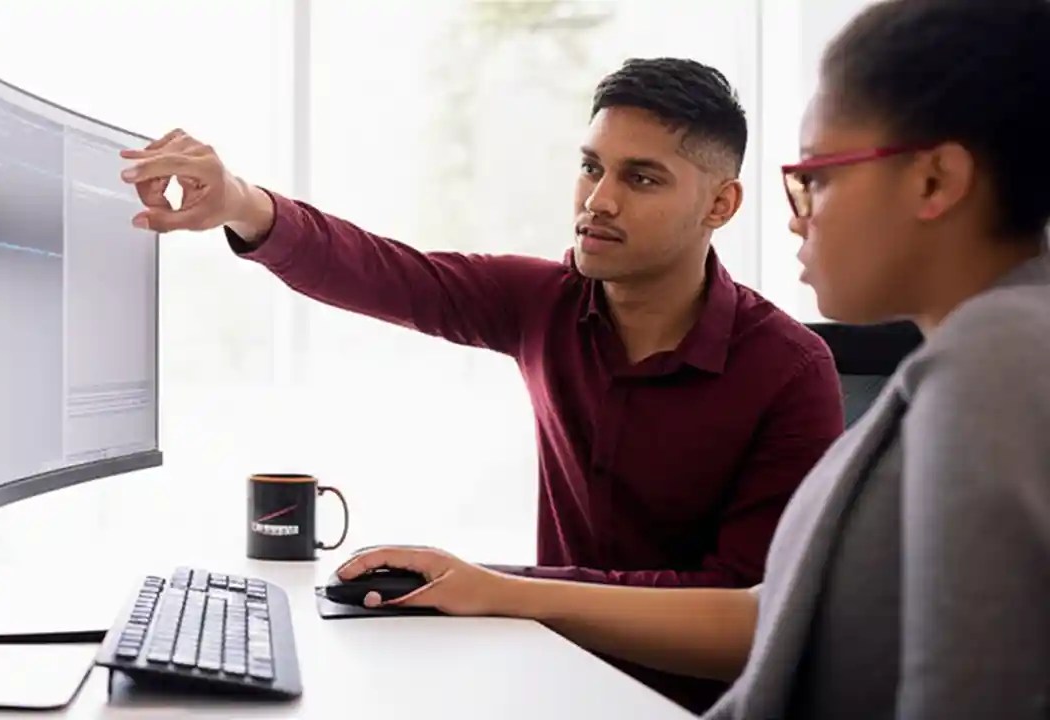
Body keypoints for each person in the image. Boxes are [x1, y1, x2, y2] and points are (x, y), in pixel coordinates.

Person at [324, 0, 1050, 717]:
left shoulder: (996, 363)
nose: (799, 213)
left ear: (934, 183)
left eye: (818, 177)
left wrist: (501, 589)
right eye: (591, 168)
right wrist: (493, 586)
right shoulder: (969, 362)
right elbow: (775, 616)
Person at [121, 59, 844, 710]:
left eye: (641, 177)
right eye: (592, 167)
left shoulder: (791, 371)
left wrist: (498, 588)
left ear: (720, 205)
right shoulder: (546, 302)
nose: (599, 201)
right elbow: (387, 271)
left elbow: (751, 616)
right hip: (547, 672)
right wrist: (242, 203)